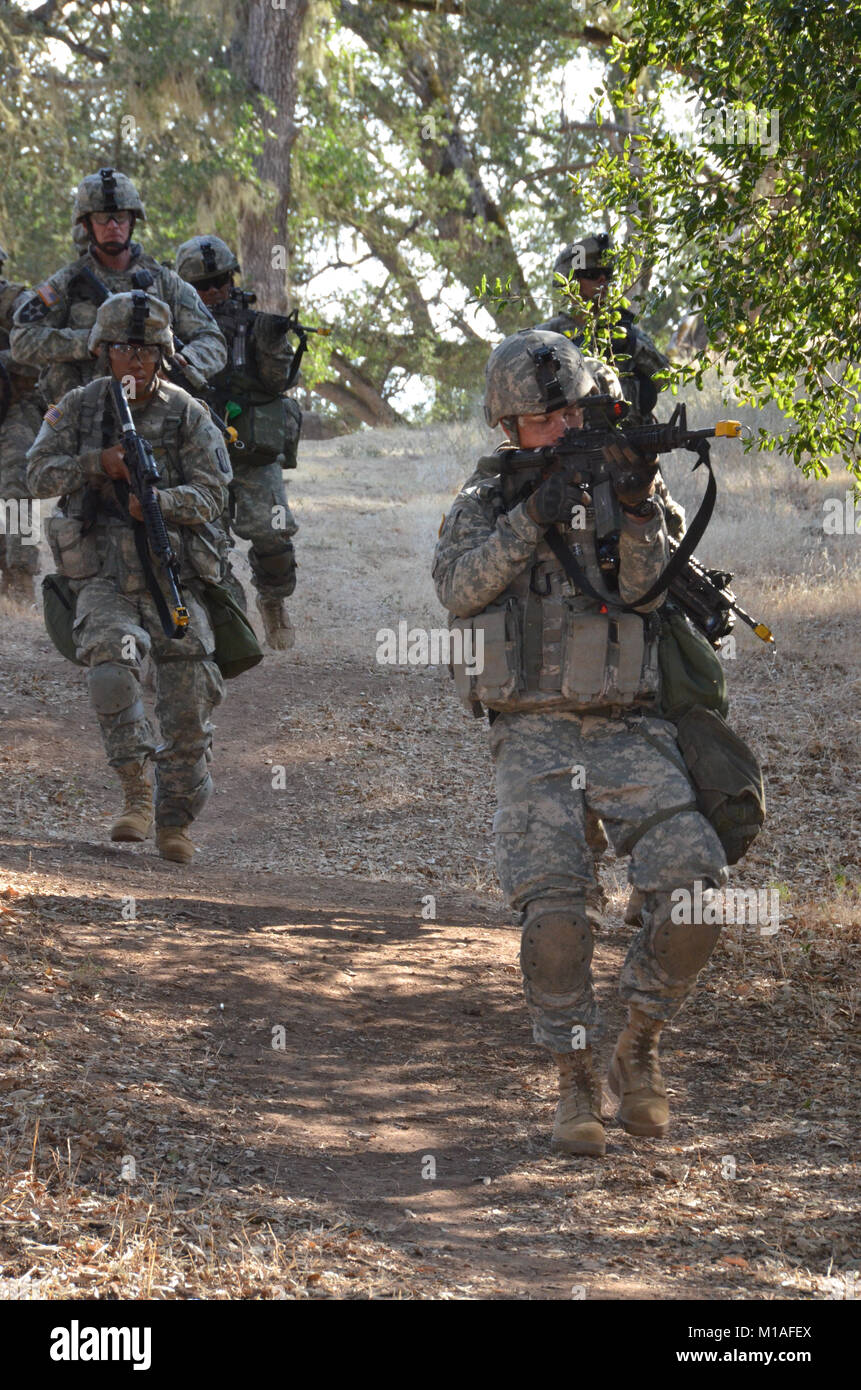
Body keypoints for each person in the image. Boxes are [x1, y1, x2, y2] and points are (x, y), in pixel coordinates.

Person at [432, 329, 728, 1156]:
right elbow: (459, 587)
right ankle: (571, 1080)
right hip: (532, 730)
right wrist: (536, 512)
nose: (560, 427)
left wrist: (633, 504)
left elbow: (645, 591)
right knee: (555, 909)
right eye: (540, 419)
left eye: (570, 411)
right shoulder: (485, 497)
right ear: (508, 426)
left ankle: (638, 1041)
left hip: (628, 723)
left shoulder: (633, 482)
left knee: (698, 883)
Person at [26, 292, 232, 865]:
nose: (133, 362)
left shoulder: (188, 412)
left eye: (144, 350)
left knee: (189, 709)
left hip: (175, 579)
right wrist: (99, 464)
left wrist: (160, 502)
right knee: (112, 671)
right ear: (103, 351)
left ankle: (174, 820)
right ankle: (136, 792)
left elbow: (215, 492)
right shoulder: (80, 408)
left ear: (163, 353)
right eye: (121, 349)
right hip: (104, 578)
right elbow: (37, 472)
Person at [174, 235, 300, 650]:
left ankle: (274, 602)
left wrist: (275, 343)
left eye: (220, 282)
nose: (213, 293)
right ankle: (230, 623)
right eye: (202, 286)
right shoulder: (172, 332)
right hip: (196, 455)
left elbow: (279, 384)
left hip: (252, 452)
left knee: (275, 538)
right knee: (205, 549)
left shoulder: (255, 325)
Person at [10, 168, 226, 406]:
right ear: (86, 223)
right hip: (85, 418)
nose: (113, 225)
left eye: (120, 216)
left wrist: (185, 361)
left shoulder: (164, 282)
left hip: (157, 411)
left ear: (133, 220)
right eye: (102, 218)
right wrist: (89, 342)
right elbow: (22, 341)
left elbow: (213, 340)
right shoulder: (66, 284)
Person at [536, 232, 685, 541]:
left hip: (630, 455)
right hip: (574, 459)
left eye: (607, 274)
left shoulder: (623, 330)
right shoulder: (545, 339)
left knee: (666, 530)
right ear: (569, 281)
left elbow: (664, 377)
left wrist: (631, 344)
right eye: (592, 275)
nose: (602, 282)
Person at [0, 351, 43, 602]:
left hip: (14, 413)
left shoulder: (20, 313)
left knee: (17, 501)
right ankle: (8, 574)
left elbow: (34, 356)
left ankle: (20, 580)